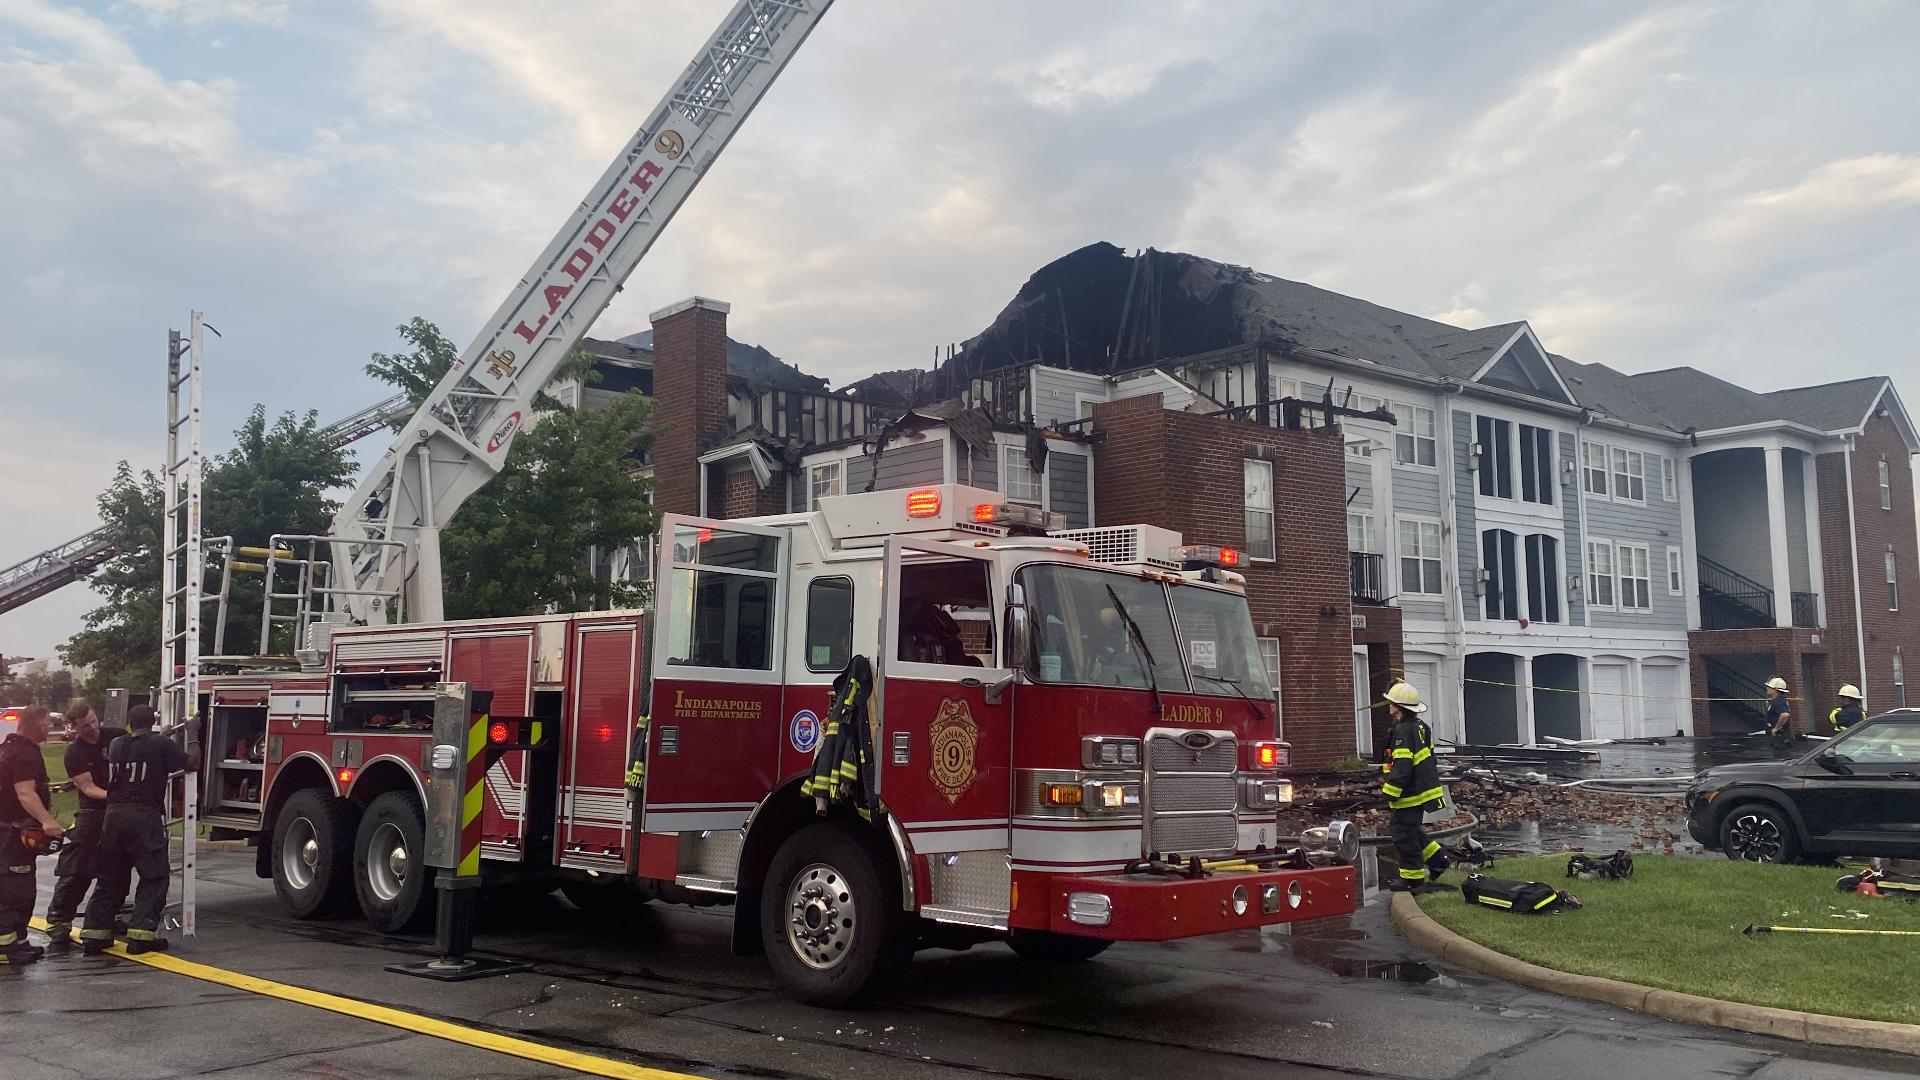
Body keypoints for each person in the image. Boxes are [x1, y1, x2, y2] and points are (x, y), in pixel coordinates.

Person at [80, 704, 201, 956]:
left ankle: (94, 934)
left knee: (110, 876)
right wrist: (193, 734)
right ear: (152, 722)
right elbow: (192, 763)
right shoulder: (158, 745)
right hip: (143, 817)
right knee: (154, 875)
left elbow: (143, 750)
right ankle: (141, 935)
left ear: (129, 723)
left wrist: (162, 736)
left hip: (113, 817)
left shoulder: (116, 745)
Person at [0, 705, 65, 965]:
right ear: (38, 725)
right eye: (48, 723)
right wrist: (47, 821)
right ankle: (6, 946)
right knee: (14, 890)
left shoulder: (7, 749)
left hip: (8, 832)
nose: (49, 728)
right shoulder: (25, 754)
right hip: (12, 835)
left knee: (17, 888)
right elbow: (25, 793)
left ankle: (18, 941)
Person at [44, 701, 110, 950]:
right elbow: (87, 787)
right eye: (86, 726)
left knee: (114, 868)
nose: (93, 728)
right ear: (74, 728)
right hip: (92, 812)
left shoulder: (115, 737)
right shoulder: (75, 752)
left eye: (94, 721)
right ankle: (59, 923)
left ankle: (103, 922)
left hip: (119, 812)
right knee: (76, 869)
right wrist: (115, 795)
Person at [1380, 681, 1449, 894]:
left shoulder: (1402, 730)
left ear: (1398, 707)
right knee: (1409, 830)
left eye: (1391, 703)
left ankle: (1413, 878)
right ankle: (1437, 858)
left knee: (1402, 834)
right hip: (1421, 789)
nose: (1389, 706)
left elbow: (1402, 765)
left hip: (1409, 792)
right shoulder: (1421, 727)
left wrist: (1389, 791)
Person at [1763, 676, 1793, 749]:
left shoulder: (1778, 701)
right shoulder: (1777, 700)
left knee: (1780, 756)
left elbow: (1785, 715)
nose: (1767, 688)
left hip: (1779, 738)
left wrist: (1776, 728)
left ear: (1776, 690)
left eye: (1769, 687)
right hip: (1778, 737)